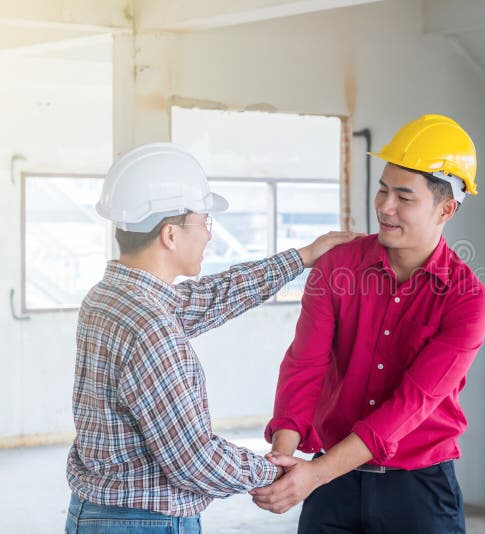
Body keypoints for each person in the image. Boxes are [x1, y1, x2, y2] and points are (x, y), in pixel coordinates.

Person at [65, 142, 357, 533]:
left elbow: (207, 298)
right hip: (145, 523)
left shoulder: (109, 297)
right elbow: (193, 459)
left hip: (99, 511)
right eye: (204, 223)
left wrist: (301, 257)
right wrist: (277, 472)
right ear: (170, 234)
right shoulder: (151, 326)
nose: (209, 235)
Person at [251, 114, 485, 533]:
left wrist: (314, 475)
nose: (384, 206)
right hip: (332, 486)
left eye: (404, 196)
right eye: (383, 189)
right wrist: (283, 458)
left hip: (418, 491)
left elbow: (408, 406)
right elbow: (305, 366)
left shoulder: (466, 301)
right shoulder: (337, 267)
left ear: (446, 209)